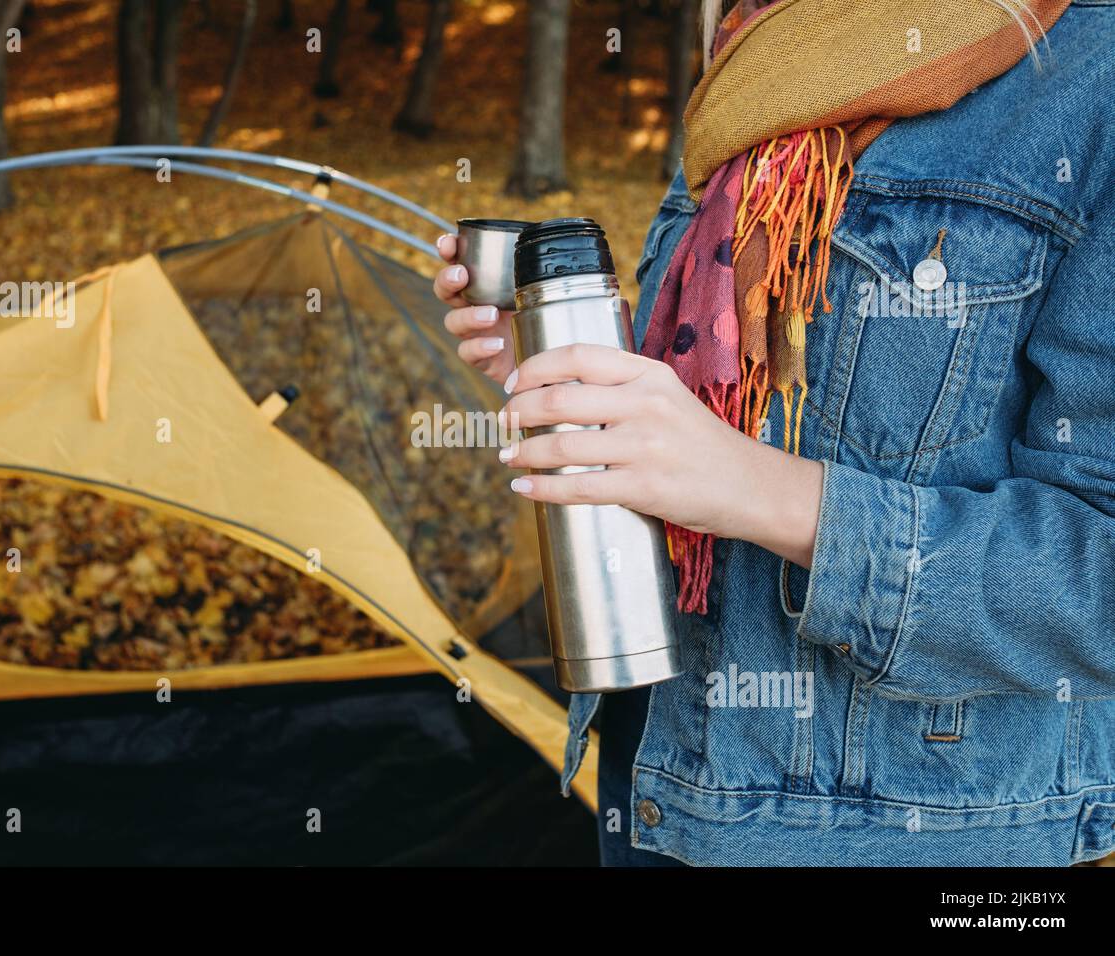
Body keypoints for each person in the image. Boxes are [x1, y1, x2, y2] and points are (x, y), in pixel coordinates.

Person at [433, 0, 1115, 866]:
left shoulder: (1094, 71)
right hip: (661, 789)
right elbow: (775, 377)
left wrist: (754, 487)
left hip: (908, 840)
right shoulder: (764, 47)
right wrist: (593, 367)